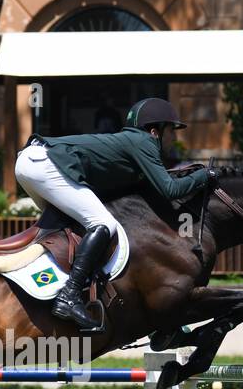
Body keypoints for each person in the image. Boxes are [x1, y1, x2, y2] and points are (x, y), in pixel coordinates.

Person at [13, 97, 212, 330]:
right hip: (43, 164)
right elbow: (170, 189)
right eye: (172, 131)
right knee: (103, 224)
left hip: (30, 162)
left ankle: (52, 286)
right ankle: (70, 294)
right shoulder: (144, 142)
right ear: (155, 131)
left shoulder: (131, 143)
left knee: (73, 226)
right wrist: (205, 175)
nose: (174, 138)